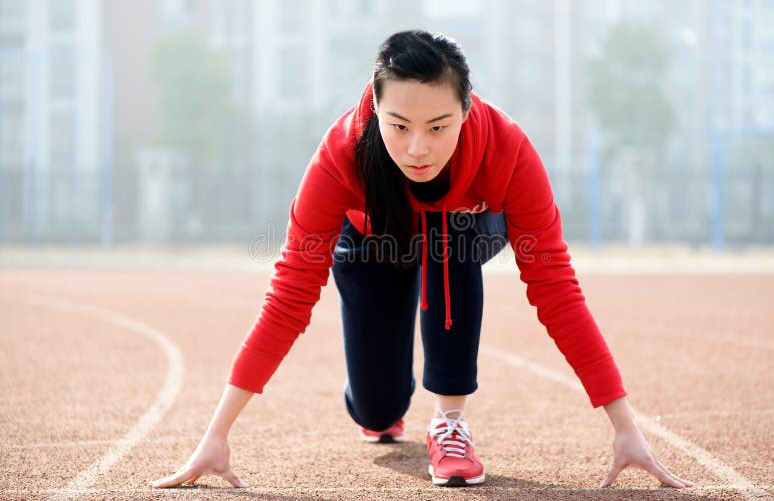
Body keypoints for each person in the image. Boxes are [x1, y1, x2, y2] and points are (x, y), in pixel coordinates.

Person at [149, 30, 693, 489]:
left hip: (462, 232)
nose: (417, 148)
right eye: (399, 126)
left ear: (466, 109)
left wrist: (624, 425)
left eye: (439, 127)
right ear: (375, 108)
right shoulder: (340, 154)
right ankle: (379, 402)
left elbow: (556, 288)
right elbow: (289, 295)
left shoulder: (508, 150)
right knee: (376, 410)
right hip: (372, 241)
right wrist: (217, 433)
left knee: (449, 237)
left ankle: (450, 424)